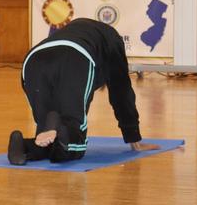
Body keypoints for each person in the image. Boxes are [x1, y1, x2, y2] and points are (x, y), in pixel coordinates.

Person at [8, 17, 158, 164]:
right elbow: (121, 90)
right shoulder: (113, 40)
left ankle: (23, 146)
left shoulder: (74, 31)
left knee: (45, 135)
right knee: (73, 131)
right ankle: (64, 139)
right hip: (74, 56)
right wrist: (133, 136)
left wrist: (48, 117)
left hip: (33, 61)